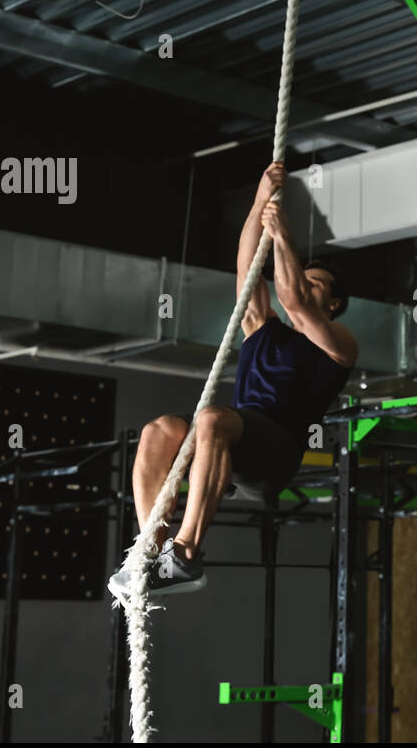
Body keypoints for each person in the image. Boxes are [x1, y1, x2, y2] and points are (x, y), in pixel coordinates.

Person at [109, 162, 358, 599]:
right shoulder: (263, 328)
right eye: (305, 276)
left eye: (317, 283)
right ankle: (152, 551)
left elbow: (295, 300)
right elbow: (246, 271)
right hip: (233, 440)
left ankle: (186, 555)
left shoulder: (339, 345)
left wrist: (284, 237)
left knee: (211, 418)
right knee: (159, 430)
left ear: (334, 303)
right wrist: (261, 199)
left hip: (275, 454)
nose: (306, 283)